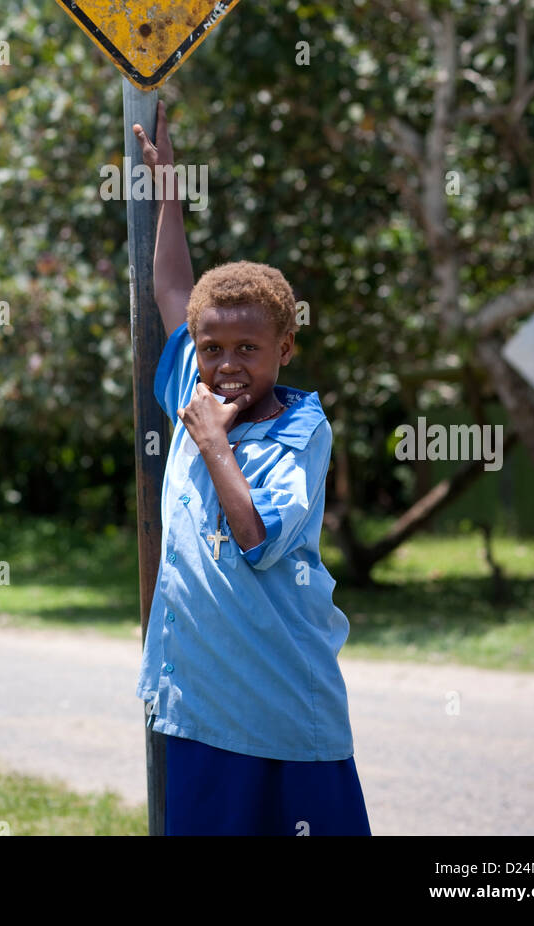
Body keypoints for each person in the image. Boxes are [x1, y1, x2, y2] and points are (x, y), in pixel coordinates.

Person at [132, 99, 371, 837]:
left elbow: (259, 537)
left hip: (281, 707)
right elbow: (175, 291)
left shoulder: (299, 427)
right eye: (212, 349)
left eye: (248, 349)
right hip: (200, 704)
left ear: (283, 352)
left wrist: (210, 440)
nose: (226, 364)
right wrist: (168, 196)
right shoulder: (191, 389)